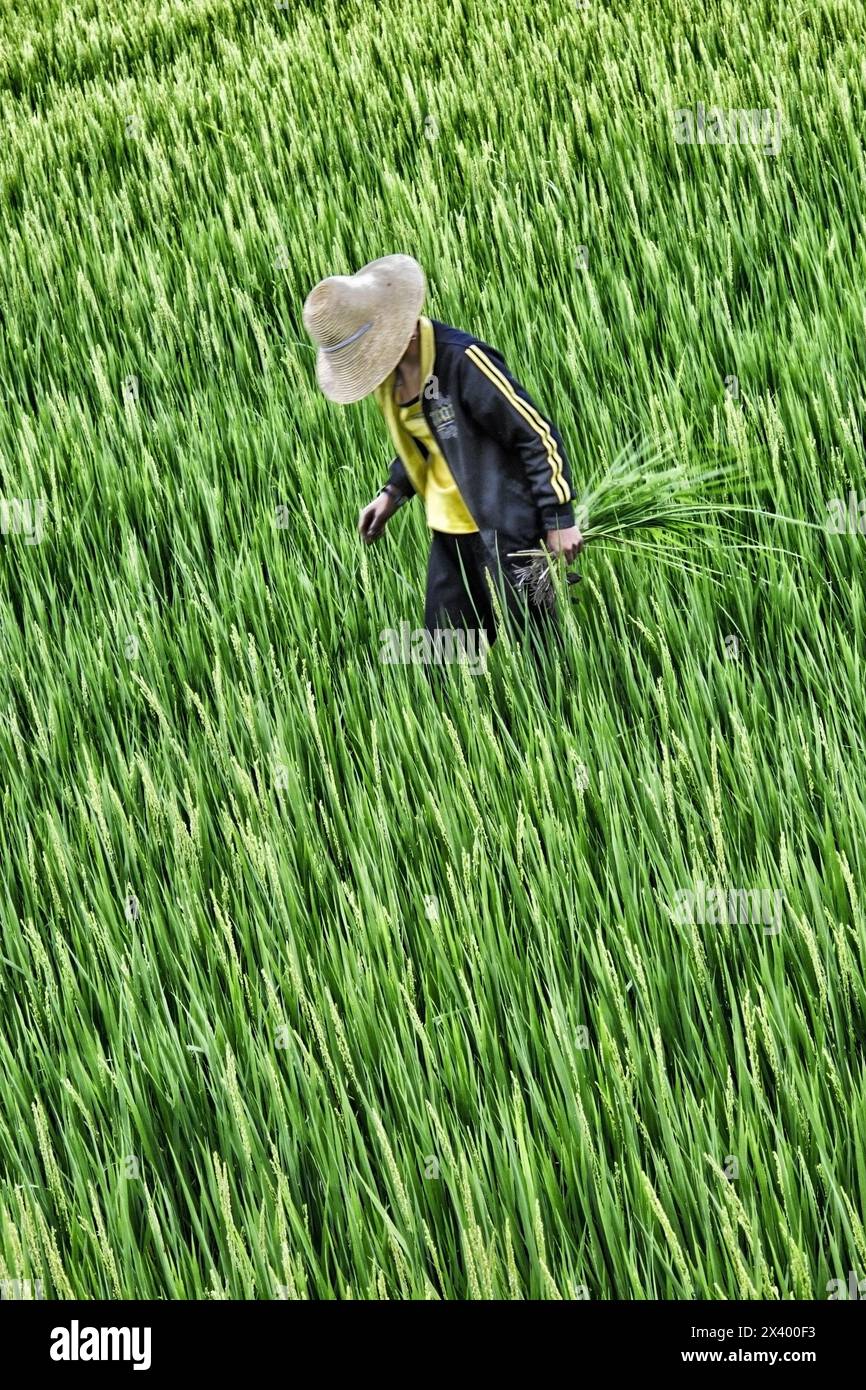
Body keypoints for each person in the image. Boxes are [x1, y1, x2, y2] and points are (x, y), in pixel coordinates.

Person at [303, 254, 582, 653]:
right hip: (450, 532)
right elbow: (426, 438)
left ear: (401, 334)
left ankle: (558, 712)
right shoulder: (391, 379)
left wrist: (559, 518)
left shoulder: (463, 362)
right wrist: (392, 493)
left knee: (539, 650)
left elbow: (536, 434)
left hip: (506, 527)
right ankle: (468, 715)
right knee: (445, 652)